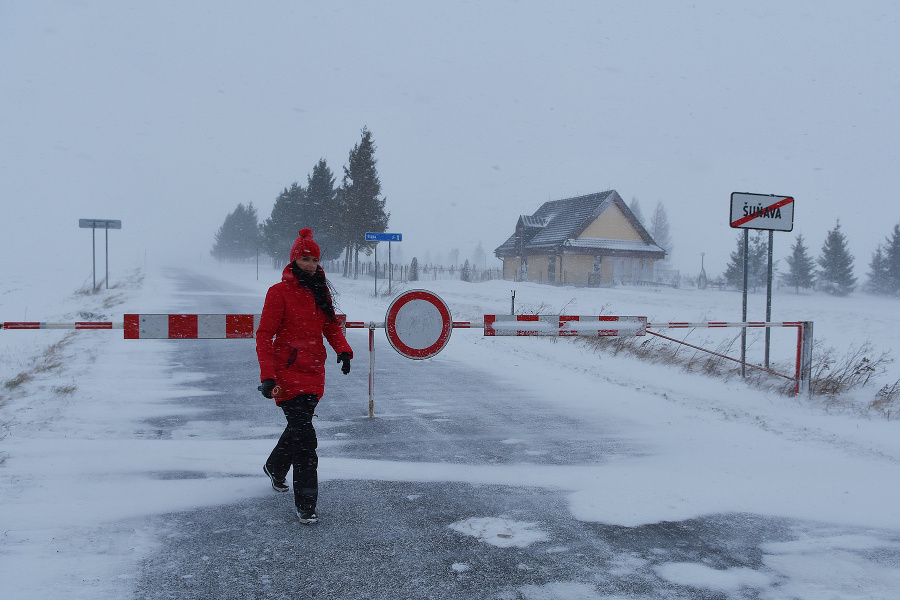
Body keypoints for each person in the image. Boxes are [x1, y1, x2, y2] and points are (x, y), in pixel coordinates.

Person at [256, 228, 353, 524]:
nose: (311, 264)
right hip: (287, 375)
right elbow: (264, 336)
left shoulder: (320, 291)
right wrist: (268, 376)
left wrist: (344, 350)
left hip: (314, 372)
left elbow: (331, 326)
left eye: (314, 259)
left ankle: (274, 466)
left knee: (299, 430)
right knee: (306, 440)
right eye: (305, 259)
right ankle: (306, 504)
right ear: (293, 260)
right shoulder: (278, 293)